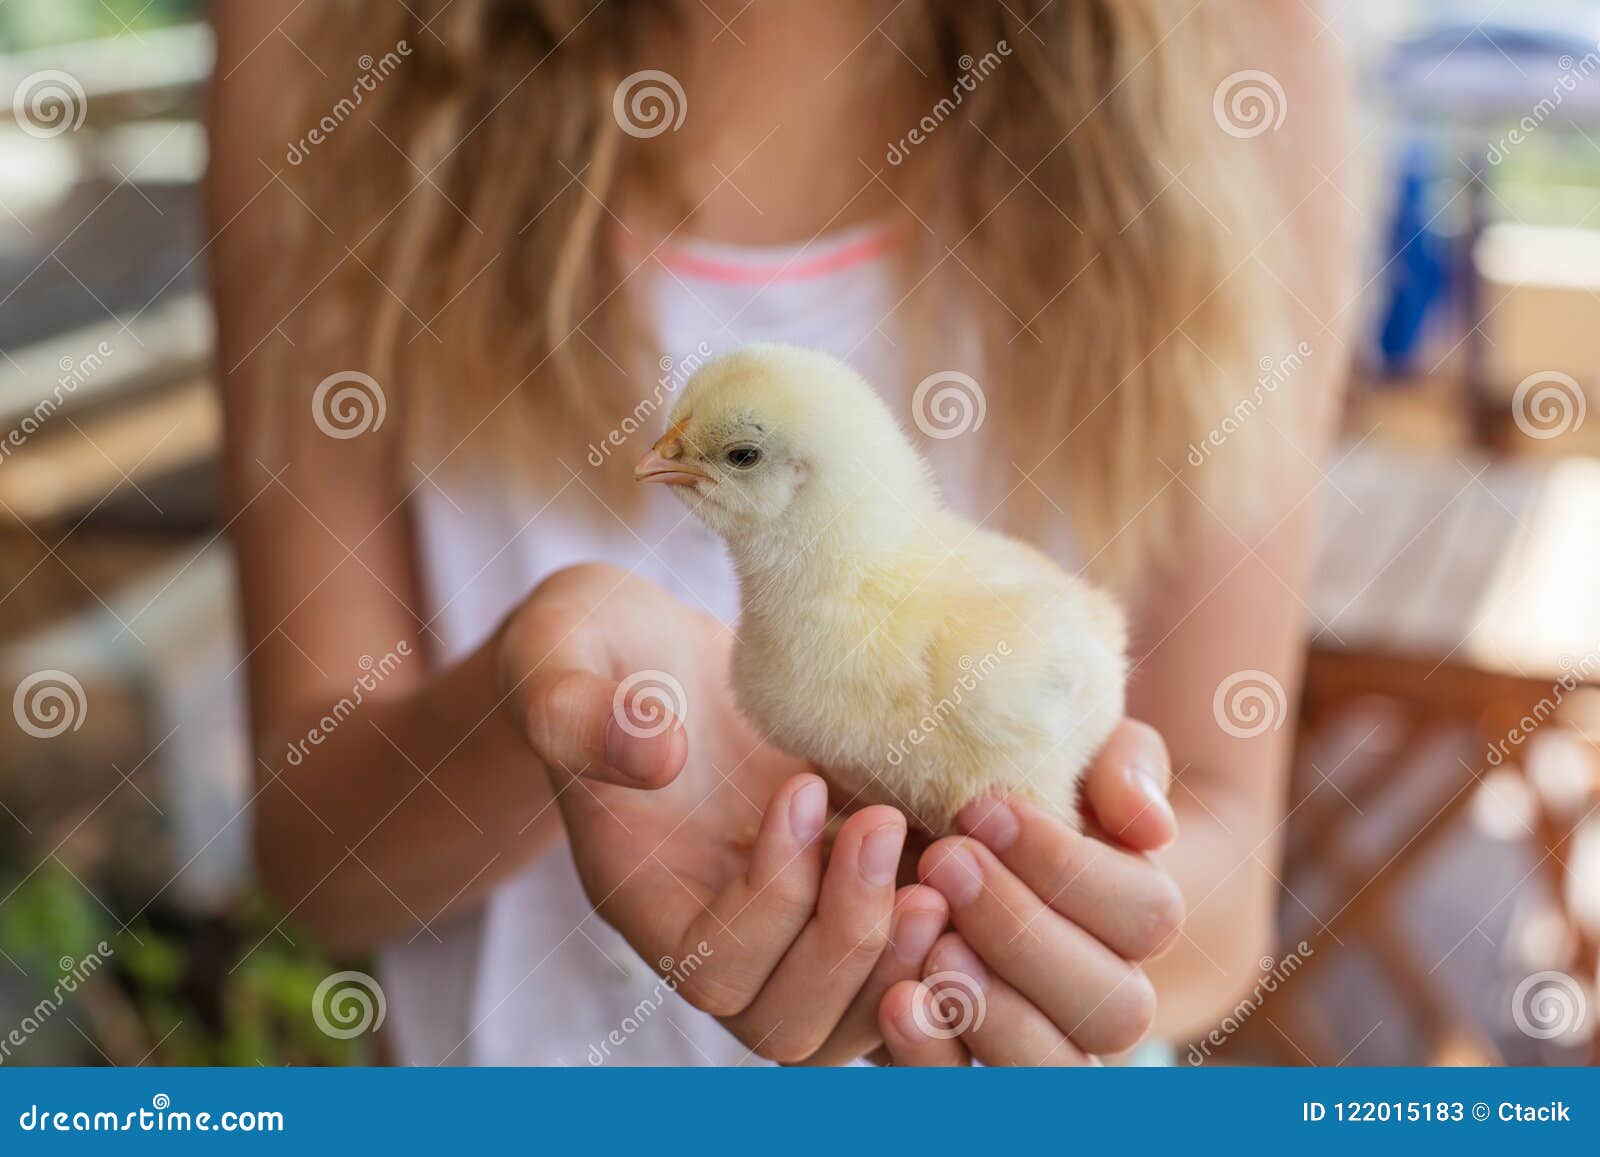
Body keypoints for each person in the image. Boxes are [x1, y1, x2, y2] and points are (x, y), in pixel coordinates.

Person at [209, 0, 1350, 1065]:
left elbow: (1217, 873)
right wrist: (538, 699)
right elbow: (321, 859)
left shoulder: (1233, 47)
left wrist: (1028, 930)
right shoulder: (324, 35)